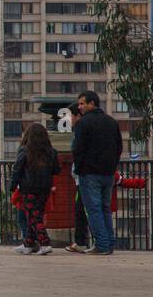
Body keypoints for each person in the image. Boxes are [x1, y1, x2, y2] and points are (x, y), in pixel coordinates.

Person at [71, 91, 123, 256]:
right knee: (105, 208)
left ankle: (101, 244)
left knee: (93, 209)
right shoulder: (111, 122)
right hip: (108, 173)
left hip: (89, 173)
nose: (79, 107)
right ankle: (109, 242)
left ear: (92, 104)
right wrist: (112, 165)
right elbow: (119, 147)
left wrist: (79, 169)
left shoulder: (83, 124)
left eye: (82, 103)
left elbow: (77, 149)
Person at [8, 123, 61, 256]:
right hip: (45, 189)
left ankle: (45, 243)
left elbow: (17, 169)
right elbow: (57, 170)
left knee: (33, 217)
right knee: (34, 215)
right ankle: (29, 244)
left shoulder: (25, 151)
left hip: (28, 188)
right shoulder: (51, 152)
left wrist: (13, 185)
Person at [63, 103, 93, 254]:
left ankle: (82, 241)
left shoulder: (81, 130)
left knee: (82, 210)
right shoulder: (84, 129)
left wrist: (78, 171)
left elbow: (78, 151)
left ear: (77, 116)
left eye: (71, 116)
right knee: (84, 209)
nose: (69, 119)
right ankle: (85, 240)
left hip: (83, 178)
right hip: (83, 176)